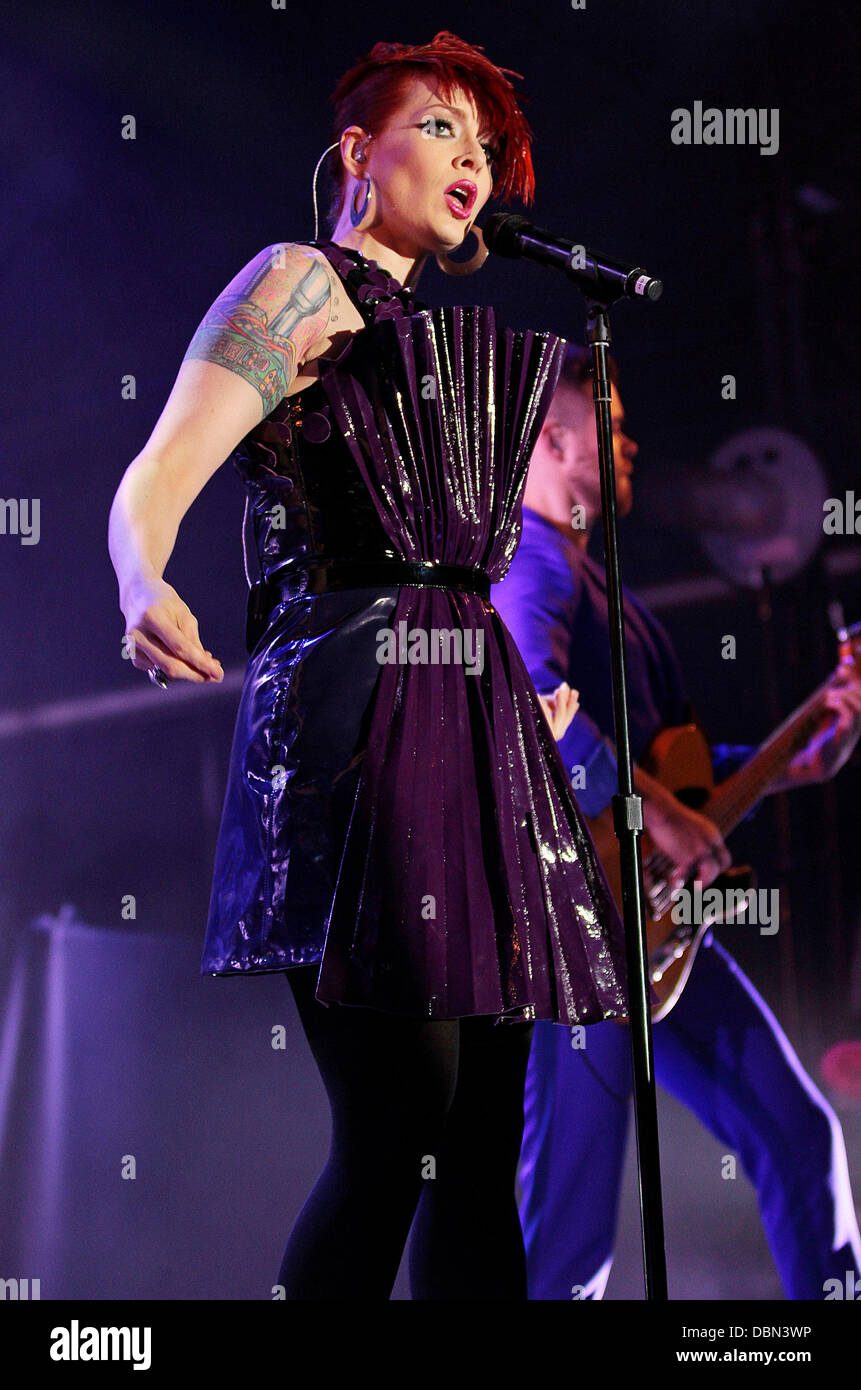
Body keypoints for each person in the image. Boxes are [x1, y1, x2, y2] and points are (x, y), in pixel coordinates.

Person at [107, 32, 630, 1301]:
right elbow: (162, 468)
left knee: (481, 1140)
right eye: (442, 126)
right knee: (401, 1124)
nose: (475, 159)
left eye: (487, 143)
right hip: (355, 713)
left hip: (477, 719)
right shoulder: (299, 285)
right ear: (359, 151)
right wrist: (140, 577)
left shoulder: (449, 346)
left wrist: (522, 688)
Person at [491, 343, 861, 1300]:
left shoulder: (601, 585)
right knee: (568, 1238)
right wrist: (652, 816)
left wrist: (804, 750)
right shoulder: (532, 564)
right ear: (550, 434)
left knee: (795, 1131)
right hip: (582, 930)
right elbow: (531, 706)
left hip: (658, 929)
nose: (630, 440)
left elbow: (675, 780)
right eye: (607, 423)